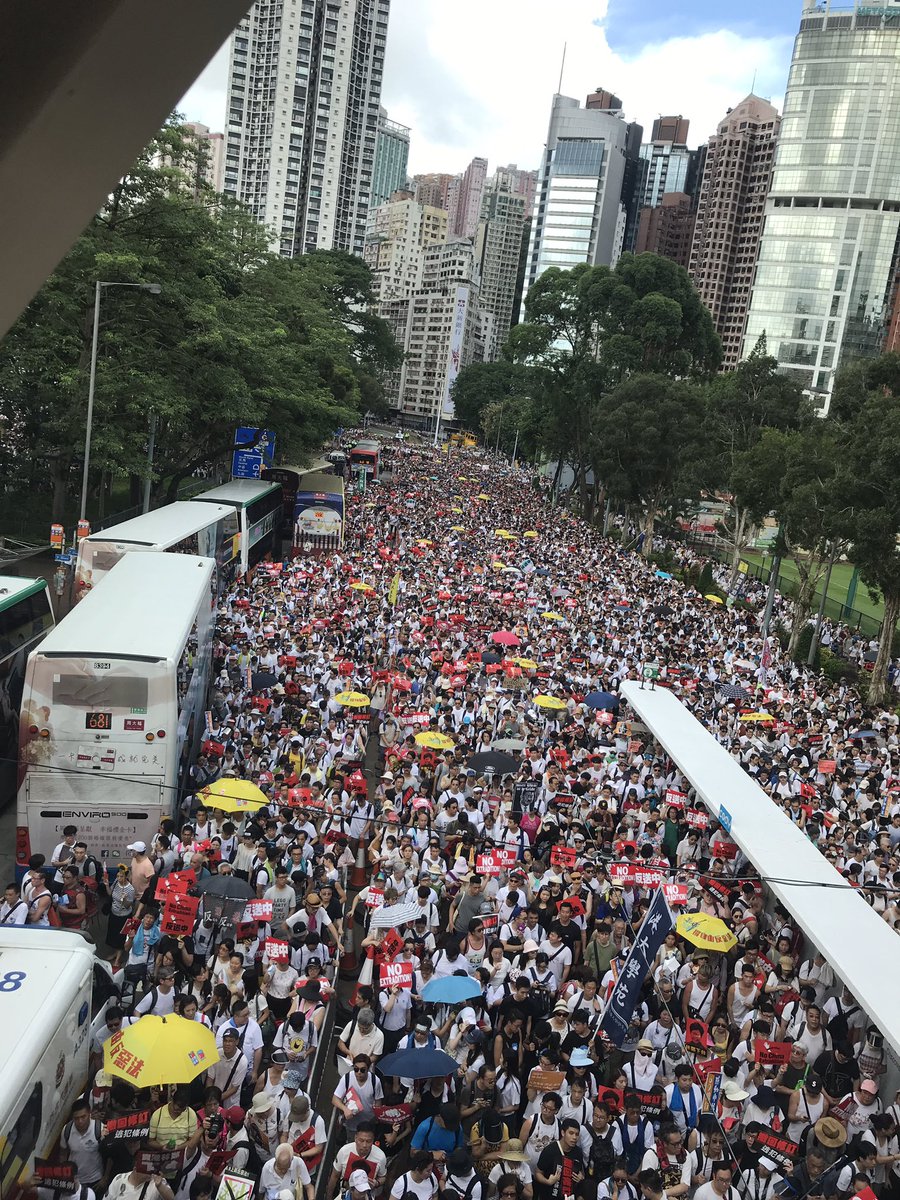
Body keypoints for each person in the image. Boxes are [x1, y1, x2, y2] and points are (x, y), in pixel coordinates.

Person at [60, 1098, 106, 1193]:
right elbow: (63, 1153)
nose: (80, 1121)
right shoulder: (67, 1130)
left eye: (83, 1117)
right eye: (76, 1118)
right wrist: (64, 1175)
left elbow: (110, 1155)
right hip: (75, 1180)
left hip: (95, 1180)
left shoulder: (100, 1128)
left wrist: (105, 1177)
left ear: (89, 1114)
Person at [329, 1123, 388, 1195]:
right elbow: (335, 1175)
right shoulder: (344, 1151)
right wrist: (329, 1195)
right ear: (355, 1138)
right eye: (361, 1140)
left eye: (368, 1141)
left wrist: (377, 1183)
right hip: (345, 1193)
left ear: (373, 1140)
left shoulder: (380, 1156)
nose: (364, 1145)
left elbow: (383, 1177)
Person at [533, 1118, 585, 1200]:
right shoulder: (550, 1151)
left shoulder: (578, 1152)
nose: (574, 1137)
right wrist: (548, 1181)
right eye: (571, 1133)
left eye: (577, 1134)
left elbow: (580, 1171)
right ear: (563, 1132)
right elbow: (538, 1173)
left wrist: (581, 1177)